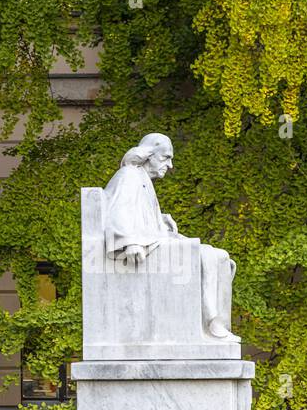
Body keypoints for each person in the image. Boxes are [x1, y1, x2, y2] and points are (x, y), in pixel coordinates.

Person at [102, 133, 238, 340]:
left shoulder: (141, 179)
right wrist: (130, 242)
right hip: (142, 249)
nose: (171, 165)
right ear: (148, 155)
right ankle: (212, 322)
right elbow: (118, 210)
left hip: (153, 242)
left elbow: (137, 212)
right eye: (166, 157)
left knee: (220, 256)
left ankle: (217, 325)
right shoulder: (129, 175)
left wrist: (160, 219)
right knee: (210, 256)